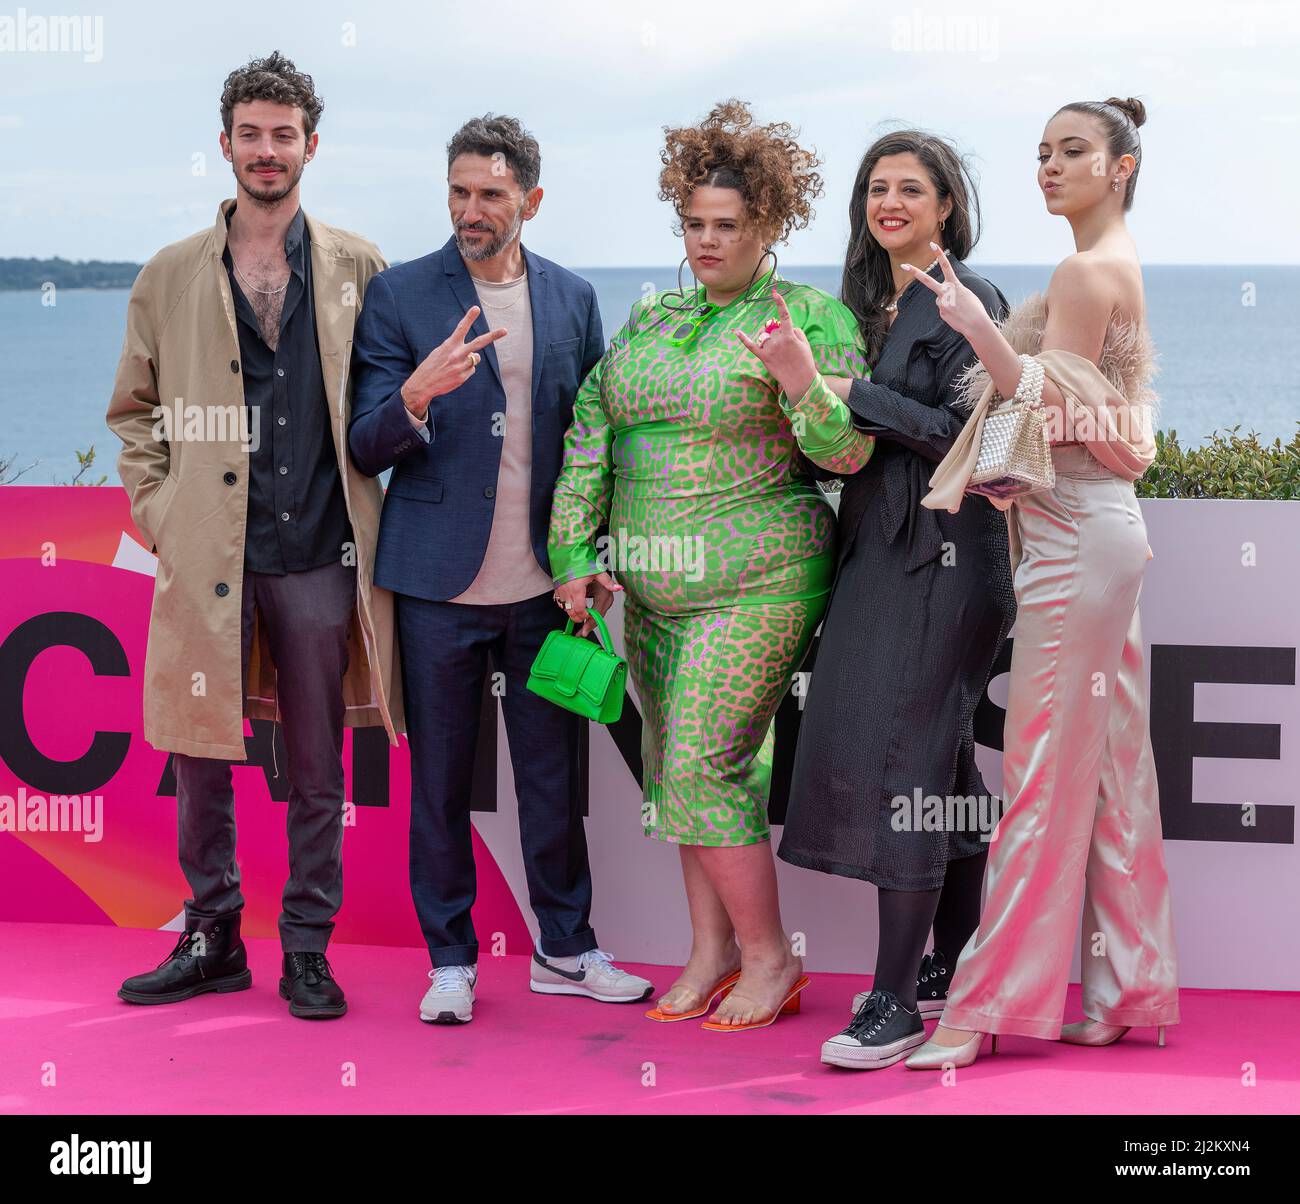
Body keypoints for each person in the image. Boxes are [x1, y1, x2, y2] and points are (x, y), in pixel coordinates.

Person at [549, 100, 876, 1031]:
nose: (705, 240)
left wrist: (799, 380)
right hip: (650, 593)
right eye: (692, 223)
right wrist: (575, 557)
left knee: (700, 762)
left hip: (759, 585)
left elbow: (848, 456)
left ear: (767, 225)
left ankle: (772, 960)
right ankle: (711, 951)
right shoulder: (654, 317)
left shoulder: (808, 317)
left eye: (726, 225)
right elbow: (590, 436)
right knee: (678, 776)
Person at [109, 52, 402, 1020]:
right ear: (225, 144)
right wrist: (160, 514)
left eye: (284, 134)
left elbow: (385, 407)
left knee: (319, 766)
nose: (267, 150)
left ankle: (308, 948)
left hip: (321, 553)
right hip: (209, 559)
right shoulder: (165, 277)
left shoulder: (362, 268)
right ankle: (213, 932)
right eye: (251, 133)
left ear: (310, 145)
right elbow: (133, 414)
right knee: (200, 756)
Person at [348, 114, 652, 1024]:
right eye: (458, 192)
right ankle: (451, 961)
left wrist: (592, 558)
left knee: (554, 783)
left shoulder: (571, 297)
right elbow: (364, 446)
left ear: (531, 199)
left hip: (545, 592)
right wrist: (415, 396)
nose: (471, 210)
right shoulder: (401, 296)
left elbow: (593, 443)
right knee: (438, 785)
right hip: (438, 585)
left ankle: (566, 947)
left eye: (490, 194)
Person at [905, 96, 1179, 1069]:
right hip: (1106, 534)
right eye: (1041, 152)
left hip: (1076, 537)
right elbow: (1109, 424)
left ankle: (984, 1006)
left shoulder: (1081, 270)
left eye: (1073, 151)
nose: (1050, 166)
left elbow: (1045, 417)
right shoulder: (1120, 262)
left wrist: (980, 331)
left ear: (1120, 166)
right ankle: (1125, 986)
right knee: (1109, 768)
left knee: (1039, 782)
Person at [772, 131, 1016, 1069]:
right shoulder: (867, 304)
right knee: (941, 774)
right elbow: (851, 441)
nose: (891, 203)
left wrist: (852, 393)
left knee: (904, 772)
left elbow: (968, 432)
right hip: (883, 556)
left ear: (947, 205)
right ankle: (949, 972)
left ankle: (891, 1002)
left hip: (946, 563)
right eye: (878, 189)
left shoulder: (968, 300)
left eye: (911, 189)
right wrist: (815, 400)